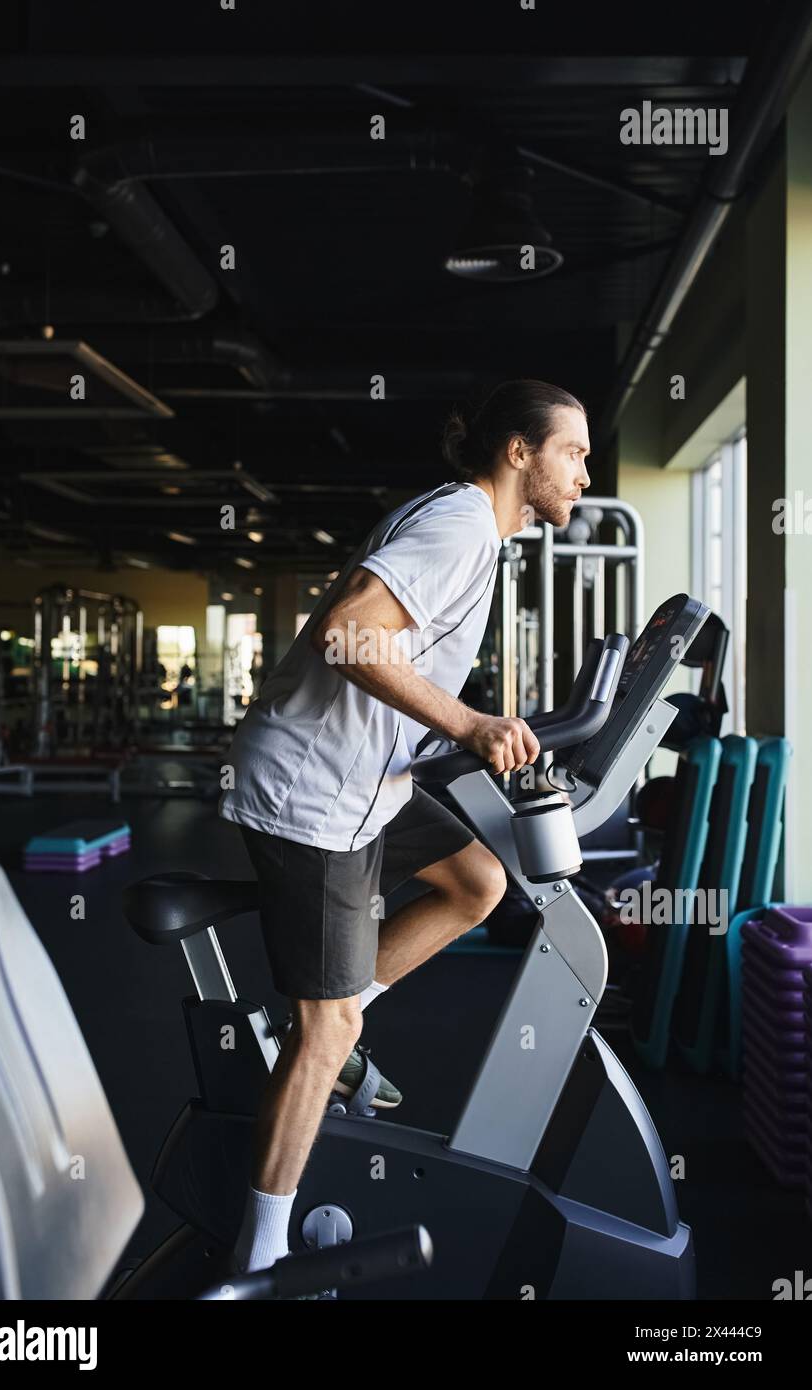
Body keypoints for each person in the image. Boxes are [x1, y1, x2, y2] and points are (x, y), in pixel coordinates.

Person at [218, 378, 591, 1273]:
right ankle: (259, 1258)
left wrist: (471, 720)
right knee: (330, 1034)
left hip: (370, 781)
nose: (585, 471)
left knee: (478, 881)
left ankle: (327, 1011)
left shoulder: (473, 529)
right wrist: (468, 724)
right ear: (518, 453)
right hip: (315, 798)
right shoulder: (462, 527)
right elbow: (348, 633)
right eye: (572, 452)